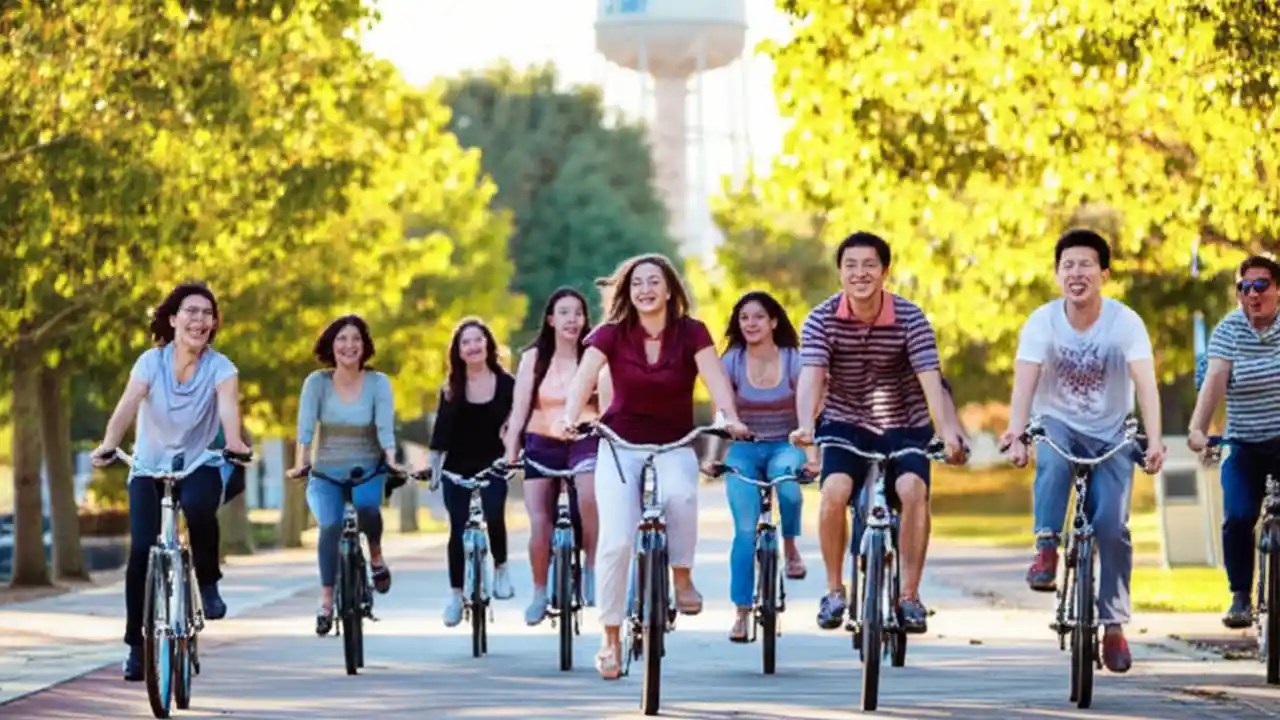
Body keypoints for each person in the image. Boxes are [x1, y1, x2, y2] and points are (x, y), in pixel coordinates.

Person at [549, 253, 750, 680]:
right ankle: (610, 638)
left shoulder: (692, 332)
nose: (645, 289)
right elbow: (582, 381)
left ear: (669, 287)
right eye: (637, 282)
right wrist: (570, 417)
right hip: (618, 443)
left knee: (682, 494)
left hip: (674, 441)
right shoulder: (610, 334)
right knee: (617, 541)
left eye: (653, 281)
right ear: (627, 290)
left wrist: (727, 416)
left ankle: (681, 577)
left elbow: (717, 384)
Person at [999, 228, 1166, 673]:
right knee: (1051, 462)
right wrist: (1016, 433)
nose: (1077, 272)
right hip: (1058, 423)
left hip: (1112, 431)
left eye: (1086, 264)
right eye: (1068, 265)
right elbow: (1025, 382)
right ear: (1058, 274)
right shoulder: (1042, 321)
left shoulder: (1125, 322)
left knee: (1112, 526)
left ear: (1104, 273)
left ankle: (1113, 626)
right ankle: (1046, 547)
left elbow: (1145, 384)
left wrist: (1155, 438)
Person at [789, 231, 966, 638]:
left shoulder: (910, 317)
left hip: (905, 421)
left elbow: (929, 379)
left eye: (869, 264)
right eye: (850, 265)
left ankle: (909, 595)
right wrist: (805, 428)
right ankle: (834, 590)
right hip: (845, 419)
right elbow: (812, 378)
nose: (860, 273)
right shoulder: (820, 318)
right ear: (839, 273)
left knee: (911, 491)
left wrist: (946, 433)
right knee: (833, 490)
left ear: (885, 271)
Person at [90, 282, 252, 681]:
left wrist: (233, 443)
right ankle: (135, 646)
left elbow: (228, 407)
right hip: (148, 467)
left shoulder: (221, 367)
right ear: (173, 318)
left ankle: (209, 583)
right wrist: (110, 444)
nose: (199, 320)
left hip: (199, 462)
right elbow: (128, 404)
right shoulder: (150, 362)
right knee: (142, 553)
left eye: (207, 314)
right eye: (191, 312)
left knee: (199, 508)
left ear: (214, 324)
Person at [503, 288, 612, 626]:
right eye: (564, 312)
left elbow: (607, 406)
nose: (572, 319)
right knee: (540, 521)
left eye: (578, 312)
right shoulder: (533, 359)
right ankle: (539, 592)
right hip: (542, 440)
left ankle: (593, 567)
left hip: (584, 438)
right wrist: (510, 451)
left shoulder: (596, 355)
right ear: (550, 319)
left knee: (590, 496)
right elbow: (520, 409)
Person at [288, 315, 401, 636]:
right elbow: (306, 429)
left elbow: (385, 428)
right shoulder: (317, 383)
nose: (348, 345)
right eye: (341, 339)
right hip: (325, 474)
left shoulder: (378, 383)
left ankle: (376, 558)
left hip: (367, 470)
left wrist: (391, 460)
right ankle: (325, 603)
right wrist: (301, 462)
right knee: (331, 525)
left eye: (355, 339)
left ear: (364, 346)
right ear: (331, 345)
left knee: (367, 509)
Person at [1187, 254, 1280, 628]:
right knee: (1239, 516)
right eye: (1245, 287)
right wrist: (1197, 428)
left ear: (1277, 289)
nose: (1252, 294)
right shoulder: (1229, 329)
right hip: (1242, 441)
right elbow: (1215, 380)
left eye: (1261, 285)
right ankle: (1240, 595)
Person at [716, 290, 808, 642]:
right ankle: (741, 613)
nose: (750, 323)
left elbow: (809, 406)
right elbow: (721, 412)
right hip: (744, 450)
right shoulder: (731, 361)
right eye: (744, 318)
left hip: (785, 444)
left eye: (758, 317)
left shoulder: (794, 359)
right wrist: (714, 453)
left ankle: (790, 546)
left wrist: (811, 452)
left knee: (789, 488)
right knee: (743, 532)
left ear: (773, 322)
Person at [429, 317, 516, 627]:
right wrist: (435, 467)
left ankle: (502, 568)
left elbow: (516, 423)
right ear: (458, 351)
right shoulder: (451, 387)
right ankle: (455, 596)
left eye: (478, 339)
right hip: (457, 467)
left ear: (488, 344)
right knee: (457, 527)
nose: (473, 346)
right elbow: (441, 432)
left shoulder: (508, 384)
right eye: (466, 342)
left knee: (494, 513)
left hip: (494, 463)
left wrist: (512, 454)